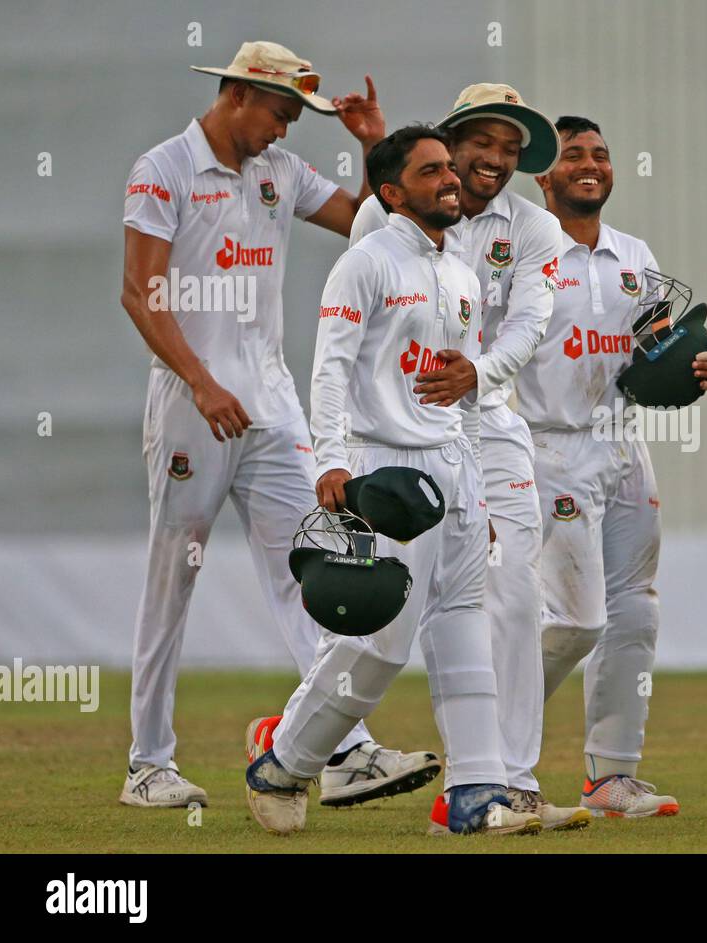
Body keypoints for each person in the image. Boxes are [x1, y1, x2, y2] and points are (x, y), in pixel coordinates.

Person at [120, 40, 435, 809]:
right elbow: (139, 292)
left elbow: (367, 224)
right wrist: (200, 382)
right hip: (194, 408)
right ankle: (147, 763)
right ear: (236, 95)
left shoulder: (279, 174)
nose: (285, 131)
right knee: (174, 580)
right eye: (280, 113)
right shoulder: (162, 169)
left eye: (295, 118)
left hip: (271, 404)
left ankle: (341, 748)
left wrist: (372, 145)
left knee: (317, 565)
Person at [244, 125, 540, 837]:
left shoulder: (462, 273)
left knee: (466, 621)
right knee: (379, 641)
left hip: (454, 477)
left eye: (449, 167)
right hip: (383, 471)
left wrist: (476, 485)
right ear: (390, 190)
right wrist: (332, 462)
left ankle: (476, 791)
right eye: (431, 169)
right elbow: (330, 367)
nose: (451, 179)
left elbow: (463, 394)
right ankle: (284, 761)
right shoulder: (367, 261)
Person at [349, 85, 587, 830]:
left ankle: (503, 783)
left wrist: (476, 374)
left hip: (489, 423)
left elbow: (530, 322)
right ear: (452, 142)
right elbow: (361, 320)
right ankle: (303, 741)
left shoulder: (538, 228)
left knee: (514, 592)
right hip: (401, 432)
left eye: (512, 151)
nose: (496, 160)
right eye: (484, 142)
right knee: (388, 613)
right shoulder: (383, 217)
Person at [526, 116, 707, 816]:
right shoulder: (523, 251)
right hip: (549, 445)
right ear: (544, 177)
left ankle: (612, 776)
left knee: (636, 612)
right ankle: (488, 747)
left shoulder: (632, 253)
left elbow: (656, 357)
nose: (591, 165)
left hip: (623, 445)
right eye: (574, 156)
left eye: (601, 155)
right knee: (574, 620)